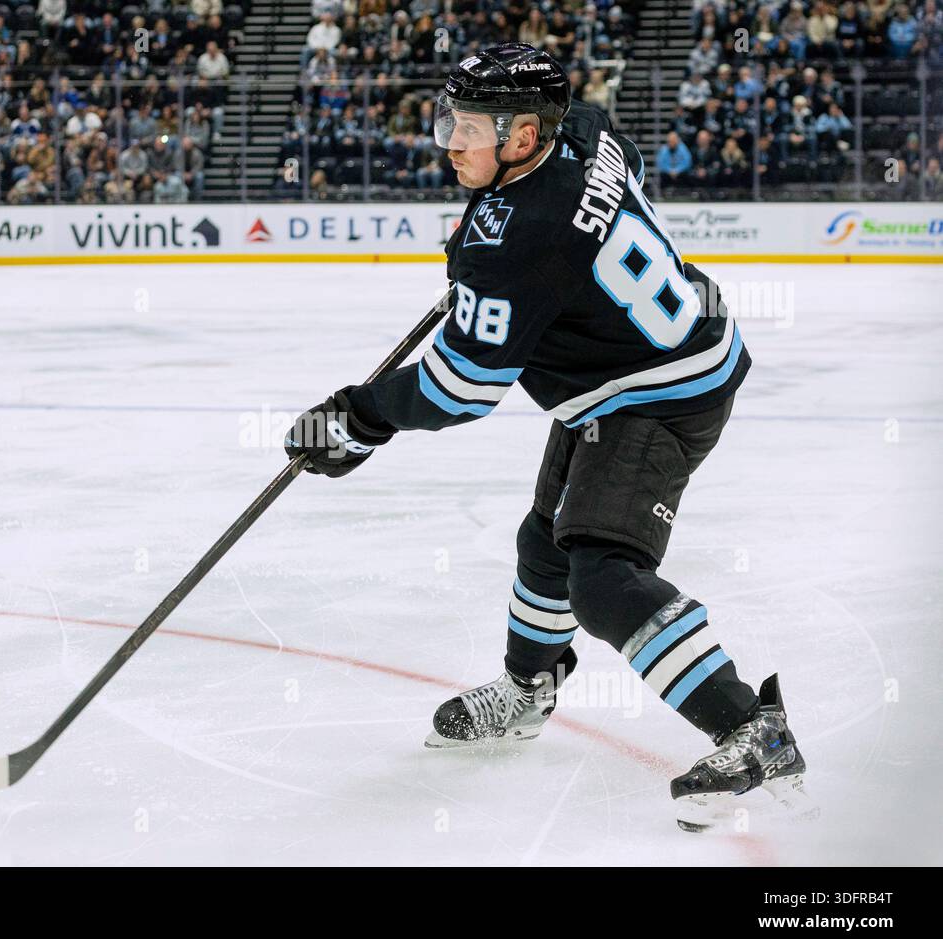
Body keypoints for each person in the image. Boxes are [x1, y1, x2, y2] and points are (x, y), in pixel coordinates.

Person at [282, 43, 811, 832]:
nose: (450, 142)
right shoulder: (586, 129)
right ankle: (529, 691)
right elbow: (615, 165)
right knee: (547, 546)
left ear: (524, 136)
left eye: (469, 127)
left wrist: (360, 418)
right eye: (449, 120)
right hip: (638, 367)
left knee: (602, 577)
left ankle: (750, 728)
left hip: (656, 395)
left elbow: (461, 389)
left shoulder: (518, 240)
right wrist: (521, 274)